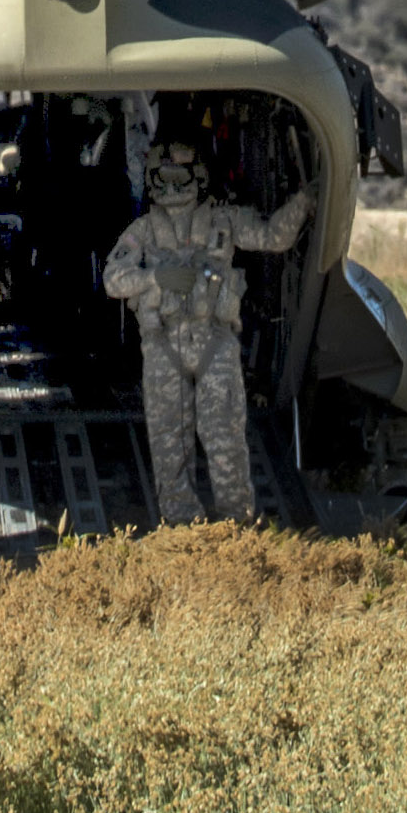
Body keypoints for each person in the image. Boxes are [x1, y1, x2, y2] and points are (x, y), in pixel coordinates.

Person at [102, 141, 312, 525]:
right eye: (162, 178)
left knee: (225, 438)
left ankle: (237, 523)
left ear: (198, 177)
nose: (171, 187)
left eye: (179, 177)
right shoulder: (144, 230)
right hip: (163, 345)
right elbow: (113, 280)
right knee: (169, 444)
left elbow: (273, 238)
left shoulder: (224, 221)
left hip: (215, 341)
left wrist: (303, 201)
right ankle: (184, 529)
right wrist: (155, 278)